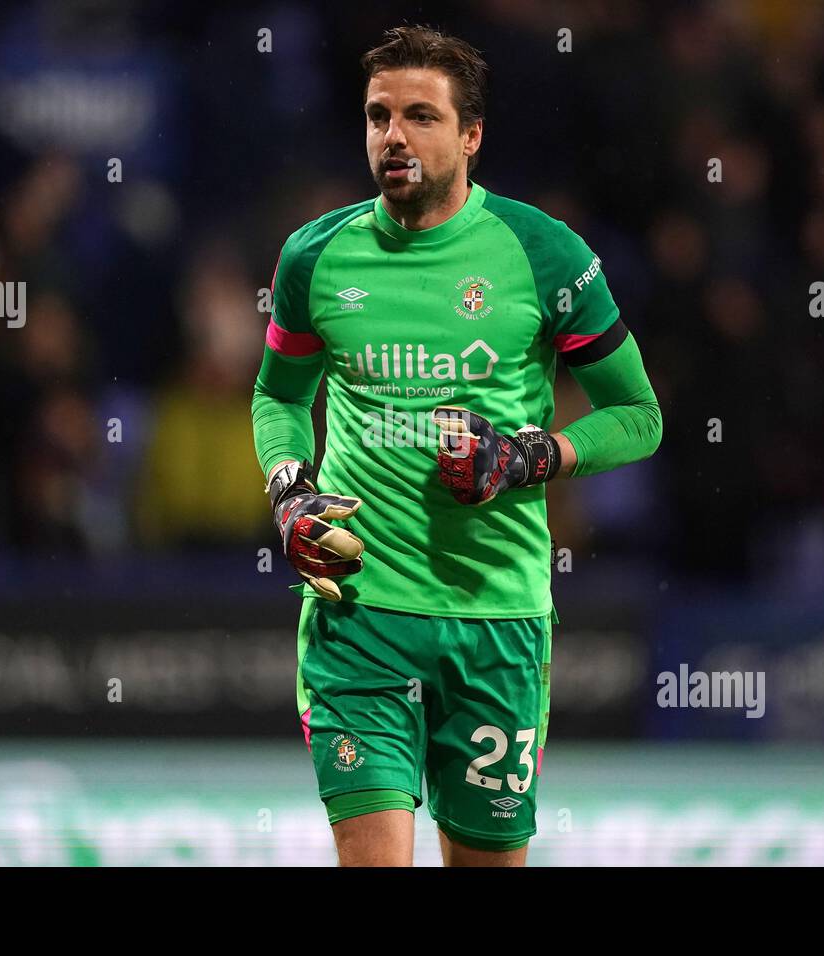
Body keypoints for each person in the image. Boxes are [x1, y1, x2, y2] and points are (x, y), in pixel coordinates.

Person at [250, 25, 662, 866]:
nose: (393, 136)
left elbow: (638, 416)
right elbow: (279, 395)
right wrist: (290, 489)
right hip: (357, 615)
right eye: (377, 116)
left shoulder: (545, 254)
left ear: (470, 136)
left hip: (496, 621)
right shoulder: (315, 255)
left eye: (420, 117)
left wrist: (527, 458)